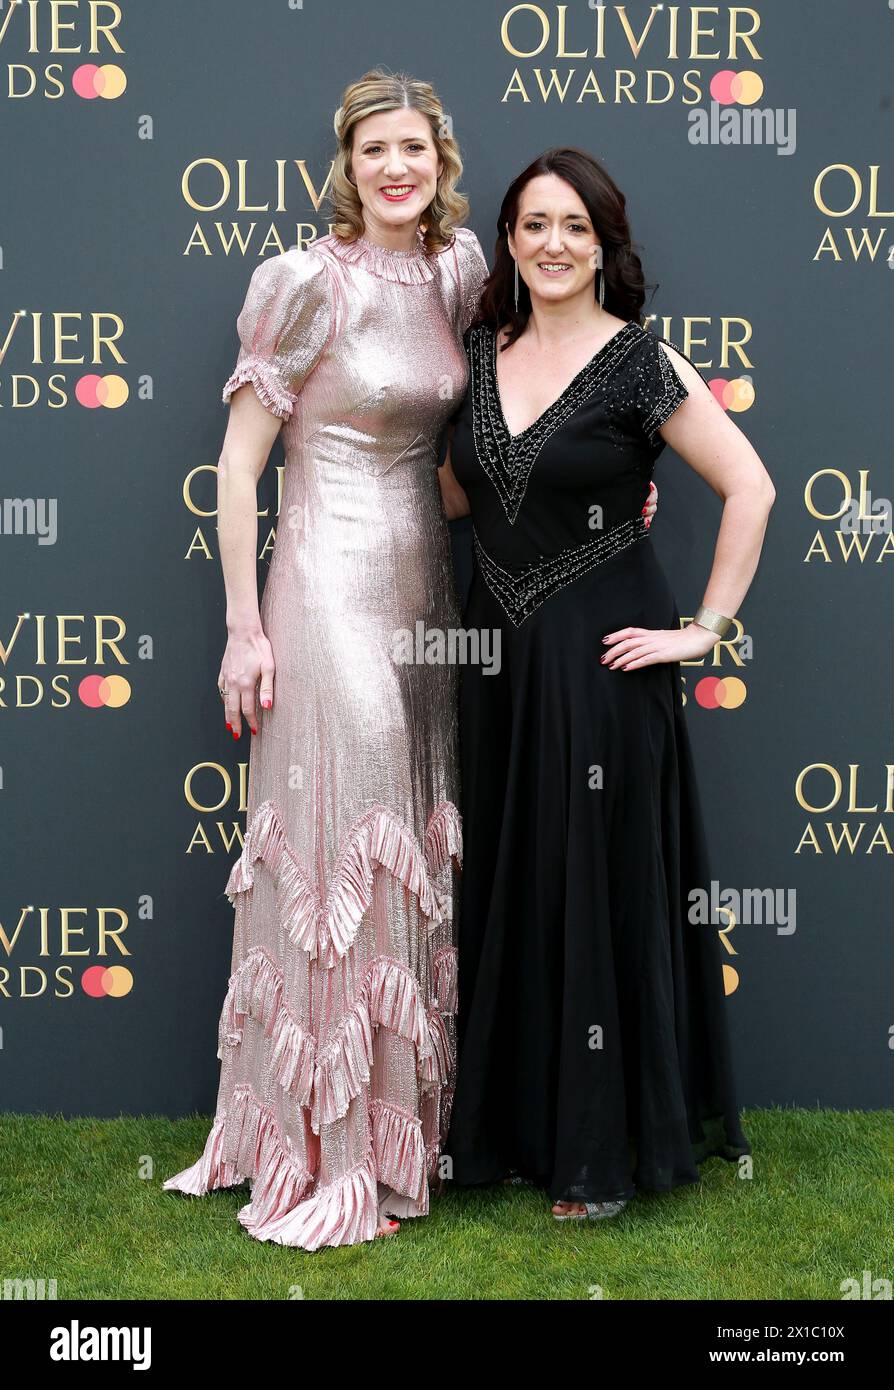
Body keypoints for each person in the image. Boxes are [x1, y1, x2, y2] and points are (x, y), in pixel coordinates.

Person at [162, 69, 493, 1250]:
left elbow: (498, 427)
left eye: (414, 148)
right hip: (322, 586)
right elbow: (241, 464)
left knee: (406, 843)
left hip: (422, 588)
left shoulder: (459, 276)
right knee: (342, 848)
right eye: (374, 152)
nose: (395, 168)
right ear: (347, 166)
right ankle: (327, 1155)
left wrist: (600, 494)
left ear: (441, 160)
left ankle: (410, 1136)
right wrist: (245, 626)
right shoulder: (305, 282)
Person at [441, 148, 771, 1220]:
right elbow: (460, 495)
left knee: (592, 886)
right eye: (533, 223)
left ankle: (598, 1157)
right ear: (508, 238)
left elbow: (751, 487)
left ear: (604, 245)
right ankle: (510, 1134)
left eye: (575, 227)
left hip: (603, 662)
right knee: (515, 883)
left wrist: (702, 633)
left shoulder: (640, 362)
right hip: (496, 659)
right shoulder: (479, 353)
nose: (552, 243)